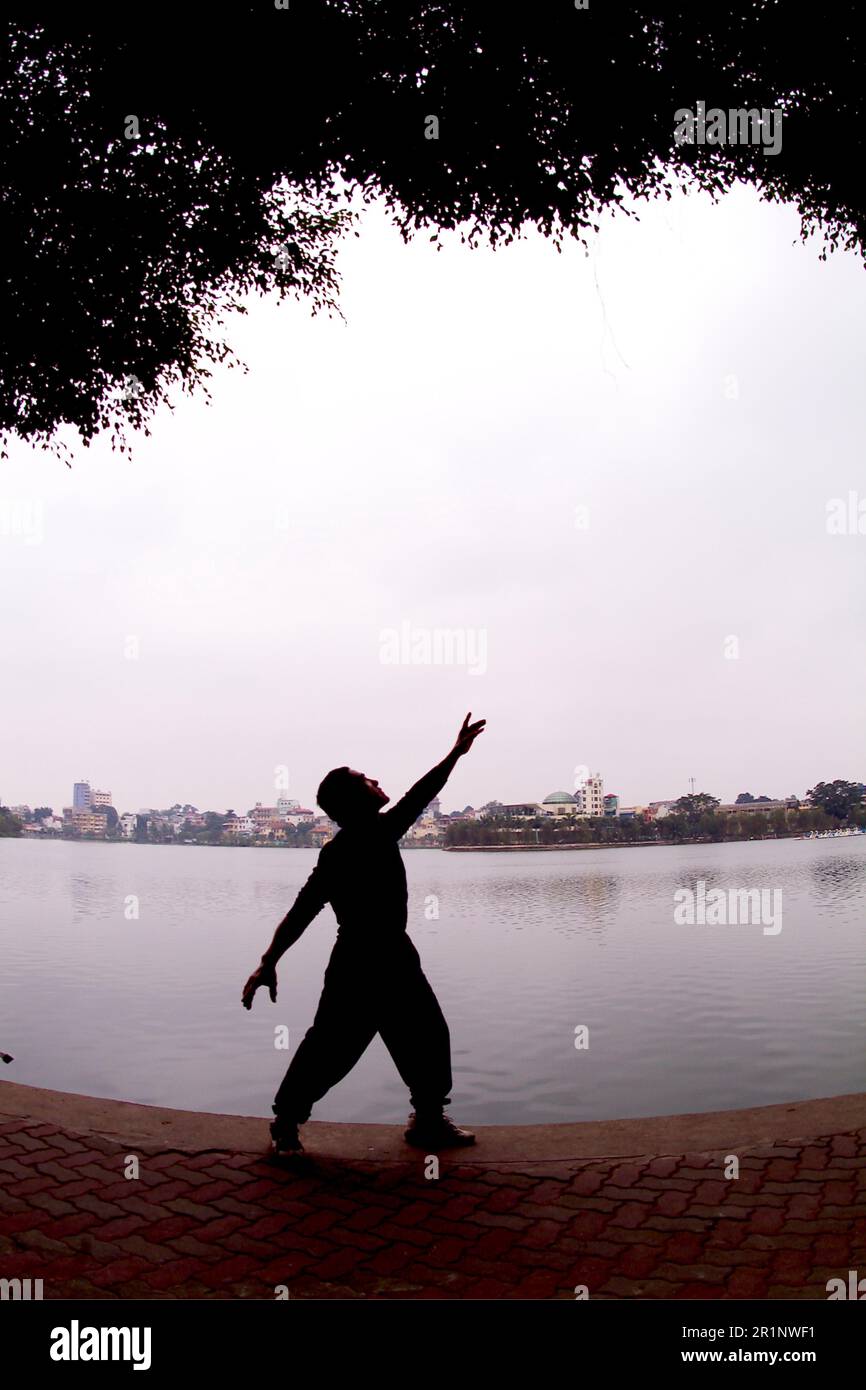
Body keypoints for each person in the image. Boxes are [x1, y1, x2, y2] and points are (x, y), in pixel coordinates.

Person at [242, 712, 486, 1156]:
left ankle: (426, 1119)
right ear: (356, 800)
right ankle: (287, 1125)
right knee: (333, 1048)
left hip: (391, 956)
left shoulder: (360, 840)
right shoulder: (363, 840)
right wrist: (455, 753)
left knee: (425, 1036)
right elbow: (420, 794)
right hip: (359, 964)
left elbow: (301, 912)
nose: (376, 781)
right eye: (367, 780)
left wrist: (269, 962)